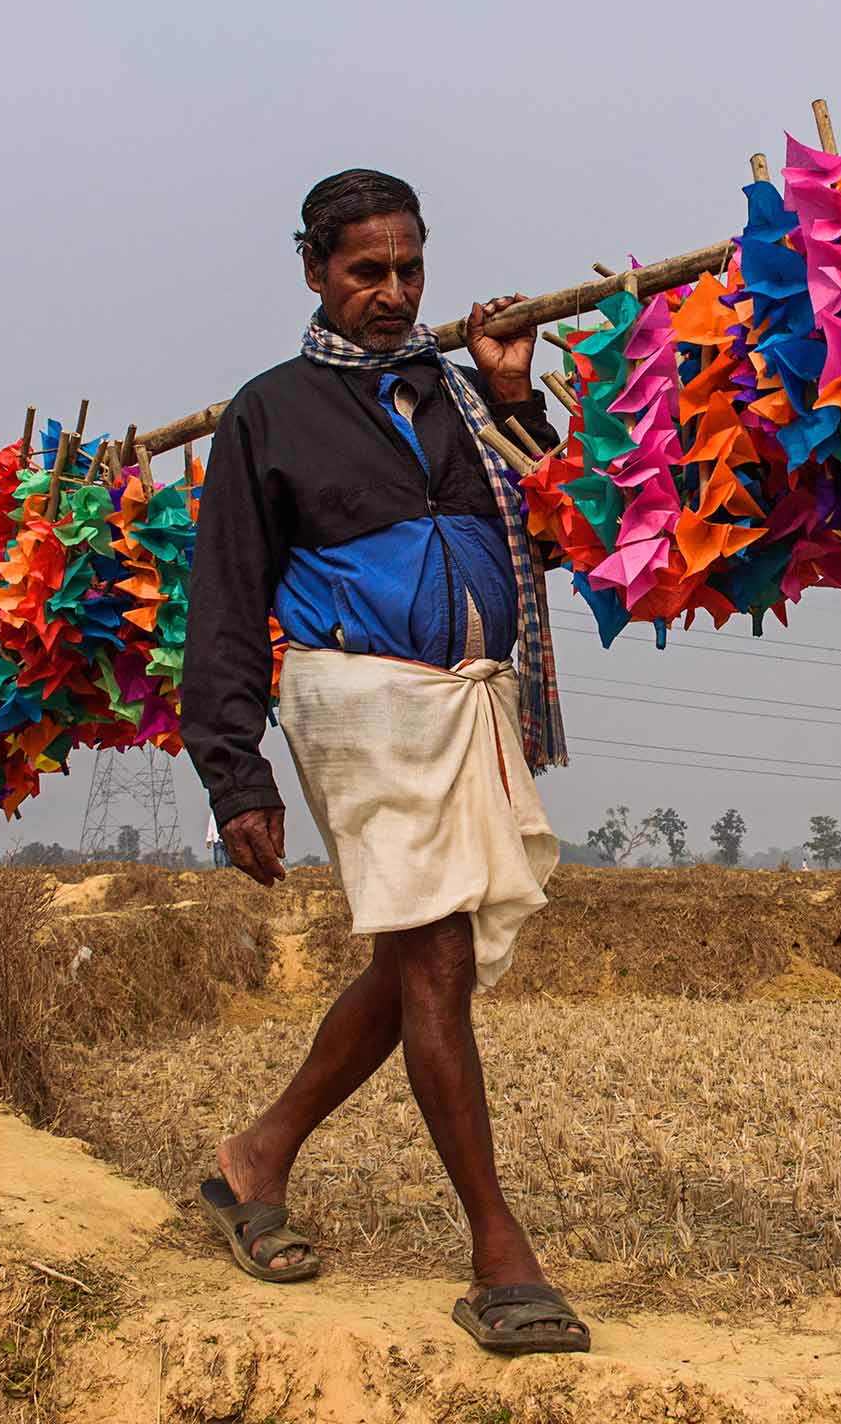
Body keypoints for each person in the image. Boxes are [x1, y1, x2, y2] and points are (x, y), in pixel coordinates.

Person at [182, 168, 584, 1356]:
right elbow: (225, 599)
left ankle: (256, 1156)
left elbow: (540, 515)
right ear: (313, 271)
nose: (394, 292)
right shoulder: (272, 412)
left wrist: (517, 396)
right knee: (440, 953)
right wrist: (235, 774)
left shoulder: (458, 396)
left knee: (421, 951)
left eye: (409, 269)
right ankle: (500, 1251)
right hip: (355, 706)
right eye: (367, 271)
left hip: (469, 704)